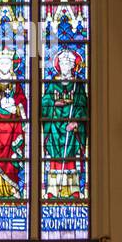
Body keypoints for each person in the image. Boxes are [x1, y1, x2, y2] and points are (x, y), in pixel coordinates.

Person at [41, 49, 88, 199]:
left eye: (68, 63)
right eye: (62, 62)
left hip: (71, 129)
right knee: (55, 158)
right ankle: (53, 190)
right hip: (55, 126)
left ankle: (73, 190)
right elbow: (44, 104)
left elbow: (82, 106)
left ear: (74, 65)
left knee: (70, 158)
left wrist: (76, 122)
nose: (65, 65)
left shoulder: (78, 85)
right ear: (58, 65)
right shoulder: (53, 84)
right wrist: (55, 103)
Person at [0, 47, 27, 199]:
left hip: (13, 126)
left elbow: (23, 100)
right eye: (2, 62)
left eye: (8, 62)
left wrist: (16, 107)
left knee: (11, 155)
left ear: (12, 65)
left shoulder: (16, 83)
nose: (5, 65)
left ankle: (12, 187)